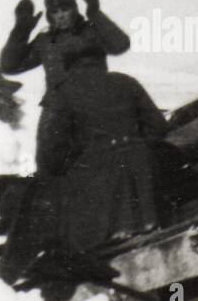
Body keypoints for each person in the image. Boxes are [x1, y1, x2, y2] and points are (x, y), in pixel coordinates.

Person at [35, 48, 170, 254]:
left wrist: (79, 159)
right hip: (143, 180)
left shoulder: (60, 94)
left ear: (66, 67)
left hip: (98, 186)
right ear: (102, 60)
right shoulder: (126, 82)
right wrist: (135, 147)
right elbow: (158, 127)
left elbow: (49, 155)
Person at [0, 0, 131, 93]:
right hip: (57, 108)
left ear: (74, 9)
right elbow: (9, 67)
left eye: (65, 9)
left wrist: (95, 14)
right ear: (50, 15)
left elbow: (120, 45)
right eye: (55, 12)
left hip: (93, 101)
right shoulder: (45, 40)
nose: (60, 16)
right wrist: (21, 29)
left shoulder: (90, 31)